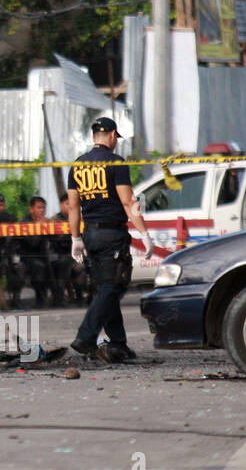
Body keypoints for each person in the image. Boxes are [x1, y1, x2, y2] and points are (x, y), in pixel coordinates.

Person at [66, 117, 154, 362]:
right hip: (111, 234)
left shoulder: (78, 164)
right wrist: (145, 234)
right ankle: (86, 336)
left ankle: (118, 344)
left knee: (108, 286)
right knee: (112, 286)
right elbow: (128, 202)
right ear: (113, 135)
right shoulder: (116, 163)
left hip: (90, 234)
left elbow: (73, 207)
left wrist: (75, 238)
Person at [14, 195, 58, 307]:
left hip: (43, 256)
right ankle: (36, 297)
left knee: (57, 263)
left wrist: (52, 229)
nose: (42, 210)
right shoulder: (24, 222)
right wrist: (38, 228)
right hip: (26, 256)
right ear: (31, 209)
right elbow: (32, 243)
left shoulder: (46, 221)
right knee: (39, 267)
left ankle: (57, 298)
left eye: (43, 208)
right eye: (39, 208)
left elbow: (54, 241)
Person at [52, 192, 90, 304]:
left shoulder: (81, 218)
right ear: (61, 205)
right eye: (67, 204)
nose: (70, 206)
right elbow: (56, 239)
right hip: (60, 255)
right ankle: (59, 298)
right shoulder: (55, 220)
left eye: (72, 203)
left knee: (81, 268)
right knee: (63, 267)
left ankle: (80, 296)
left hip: (77, 255)